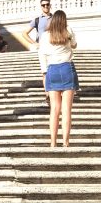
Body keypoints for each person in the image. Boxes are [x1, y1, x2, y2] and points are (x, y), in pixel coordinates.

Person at [39, 9, 78, 149]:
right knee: (66, 109)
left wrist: (44, 73)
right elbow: (74, 45)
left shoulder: (45, 35)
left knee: (54, 109)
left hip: (52, 70)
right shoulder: (68, 31)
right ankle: (66, 143)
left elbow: (42, 55)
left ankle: (53, 142)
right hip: (67, 68)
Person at [23, 0, 53, 100]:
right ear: (41, 7)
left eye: (47, 4)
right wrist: (35, 43)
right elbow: (24, 33)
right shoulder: (37, 20)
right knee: (45, 72)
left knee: (54, 70)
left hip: (55, 48)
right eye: (43, 5)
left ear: (50, 5)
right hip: (43, 48)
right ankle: (47, 94)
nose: (46, 6)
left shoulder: (55, 18)